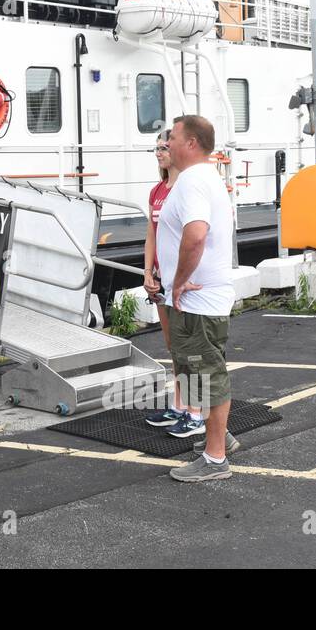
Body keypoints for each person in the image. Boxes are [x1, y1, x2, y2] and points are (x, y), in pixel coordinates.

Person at [154, 114, 238, 482]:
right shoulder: (203, 177)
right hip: (194, 300)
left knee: (206, 372)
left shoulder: (191, 182)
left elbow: (196, 235)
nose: (166, 144)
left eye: (172, 137)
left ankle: (216, 459)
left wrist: (178, 281)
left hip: (198, 300)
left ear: (190, 143)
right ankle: (219, 439)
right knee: (191, 370)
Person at [142, 130, 190, 427]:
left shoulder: (185, 189)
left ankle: (195, 412)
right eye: (156, 148)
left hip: (182, 279)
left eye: (163, 147)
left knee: (190, 348)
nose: (159, 153)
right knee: (173, 346)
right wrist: (148, 272)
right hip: (161, 278)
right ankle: (178, 405)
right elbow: (151, 233)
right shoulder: (157, 191)